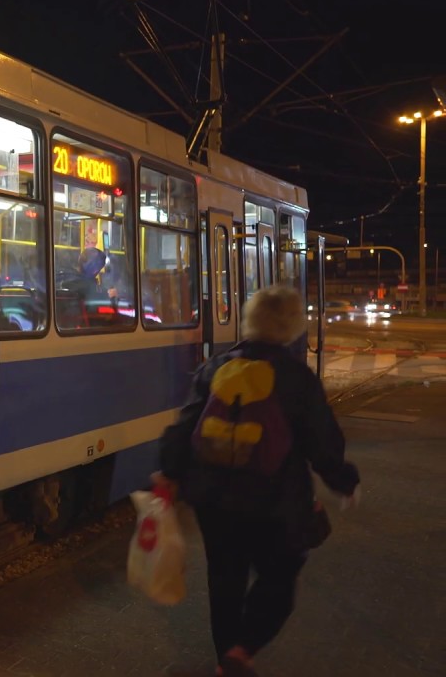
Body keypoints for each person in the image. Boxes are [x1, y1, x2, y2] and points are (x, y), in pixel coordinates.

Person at [153, 283, 360, 677]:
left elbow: (184, 427)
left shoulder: (217, 366)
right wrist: (344, 481)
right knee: (281, 574)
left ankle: (224, 658)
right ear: (291, 325)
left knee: (224, 579)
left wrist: (169, 473)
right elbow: (323, 442)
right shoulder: (295, 377)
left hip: (212, 499)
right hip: (275, 501)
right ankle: (243, 650)